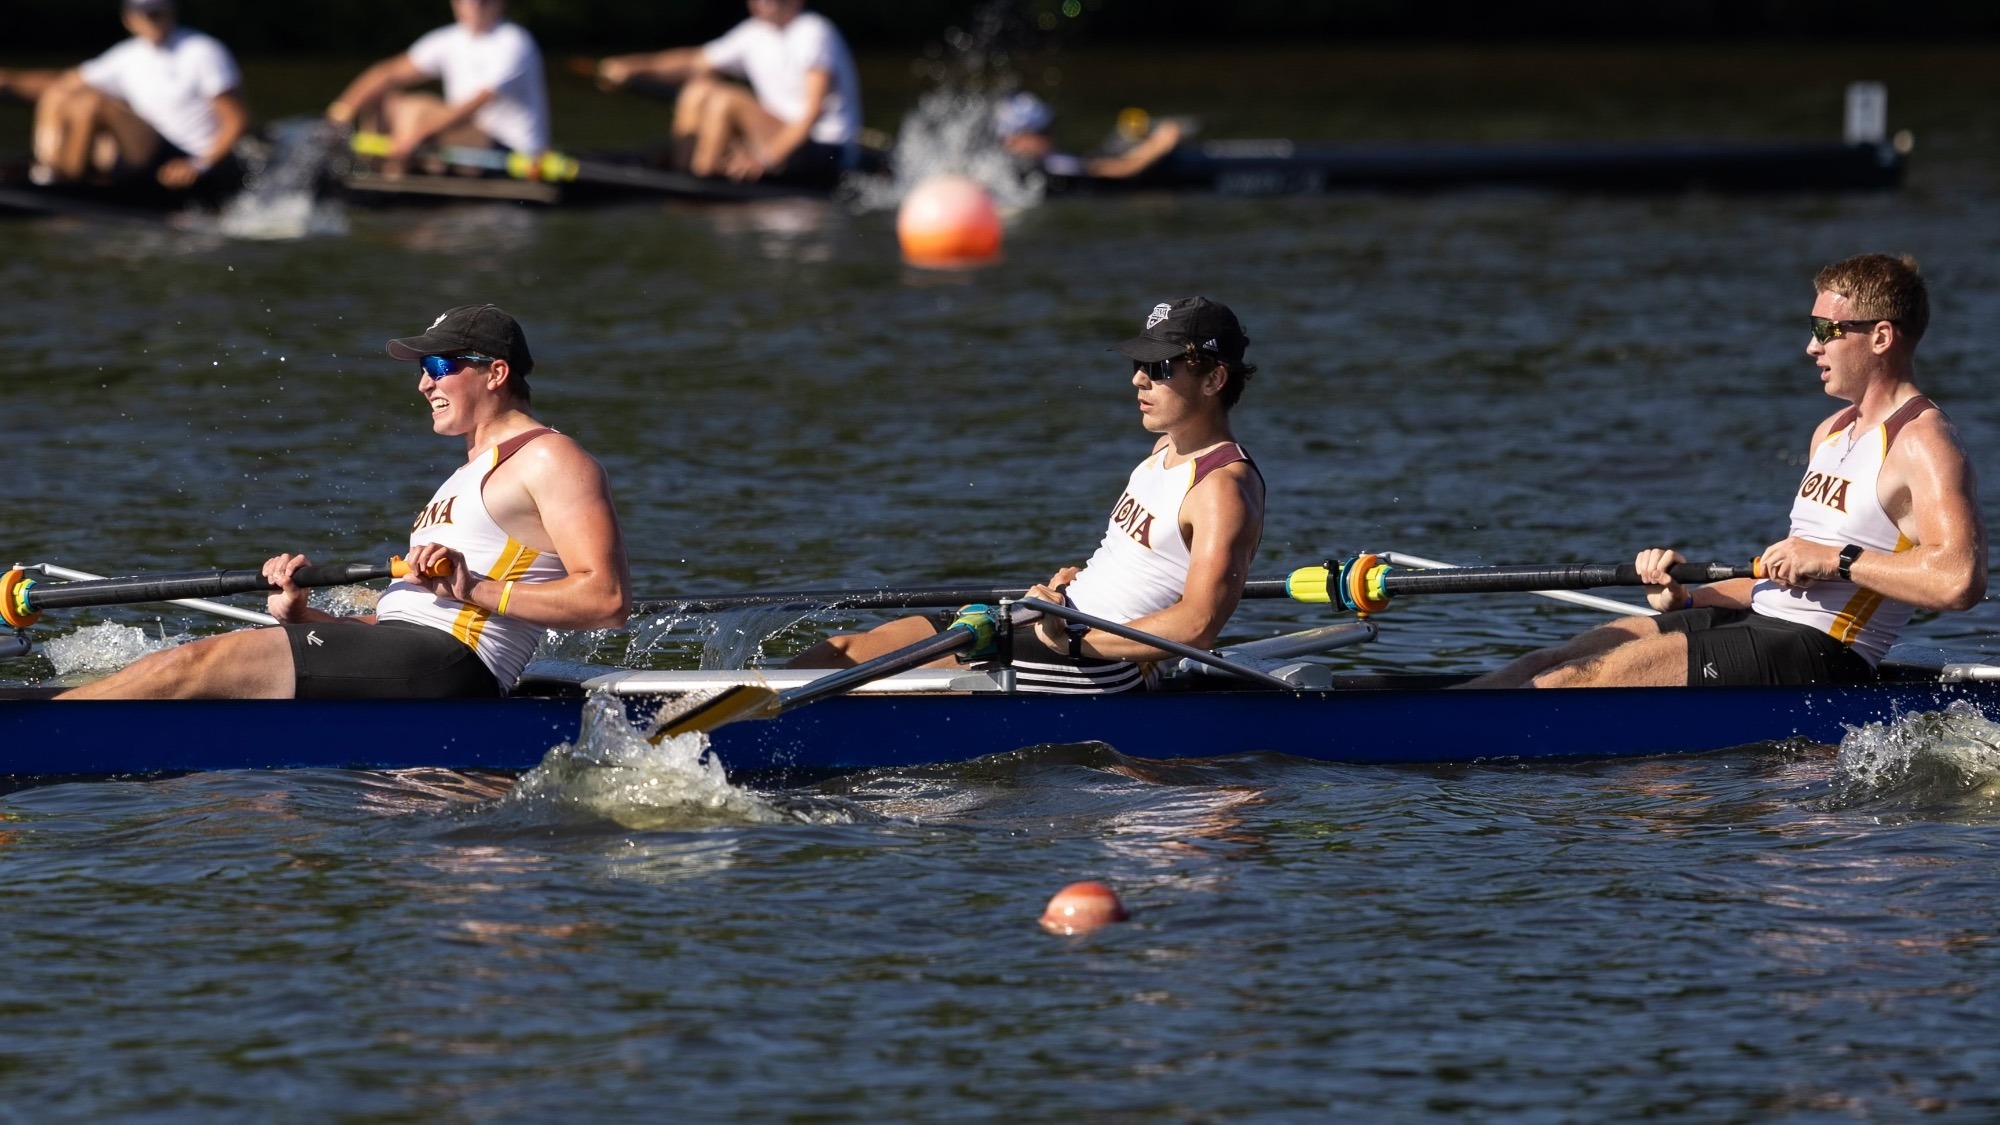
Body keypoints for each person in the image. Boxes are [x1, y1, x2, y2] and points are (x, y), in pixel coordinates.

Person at [59, 305, 631, 701]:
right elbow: (403, 617)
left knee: (189, 665)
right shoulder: (463, 476)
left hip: (455, 663)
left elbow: (605, 600)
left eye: (438, 367)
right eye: (422, 372)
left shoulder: (550, 459)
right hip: (414, 652)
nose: (424, 385)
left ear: (495, 373)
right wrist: (307, 616)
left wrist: (474, 588)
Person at [1469, 254, 1985, 689]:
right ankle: (1430, 716)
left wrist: (1835, 560)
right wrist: (1688, 596)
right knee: (1542, 666)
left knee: (1572, 682)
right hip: (1761, 620)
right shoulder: (1830, 431)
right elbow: (1785, 579)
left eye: (1825, 330)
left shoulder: (1924, 441)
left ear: (1880, 337)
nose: (1811, 346)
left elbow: (1958, 580)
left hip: (1822, 650)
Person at [792, 297, 1266, 693]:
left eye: (1159, 367)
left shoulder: (1222, 489)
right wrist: (1072, 590)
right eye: (1139, 364)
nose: (1137, 380)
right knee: (847, 649)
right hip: (1061, 619)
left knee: (860, 674)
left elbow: (1197, 626)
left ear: (1213, 380)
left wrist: (1070, 641)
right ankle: (729, 703)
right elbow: (1144, 567)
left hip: (1100, 662)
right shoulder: (1166, 447)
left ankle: (739, 732)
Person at [595, 0, 863, 183]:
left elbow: (810, 114)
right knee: (697, 89)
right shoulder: (754, 33)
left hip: (826, 152)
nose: (758, 4)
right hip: (782, 137)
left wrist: (765, 161)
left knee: (725, 100)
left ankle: (702, 181)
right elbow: (693, 61)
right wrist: (633, 67)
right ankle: (684, 173)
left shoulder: (814, 32)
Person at [0, 0, 246, 190]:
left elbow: (236, 120)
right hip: (142, 152)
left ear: (172, 13)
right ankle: (48, 173)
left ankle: (65, 183)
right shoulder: (127, 56)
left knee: (92, 102)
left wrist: (199, 165)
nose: (153, 20)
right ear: (129, 19)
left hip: (188, 157)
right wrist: (9, 81)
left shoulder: (202, 51)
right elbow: (61, 82)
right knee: (61, 93)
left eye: (158, 13)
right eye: (145, 14)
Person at [326, 0, 550, 168]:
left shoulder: (515, 43)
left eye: (483, 1)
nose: (474, 5)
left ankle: (395, 170)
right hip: (458, 139)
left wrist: (416, 135)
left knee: (414, 110)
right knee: (385, 99)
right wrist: (340, 114)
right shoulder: (447, 39)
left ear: (499, 3)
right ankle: (372, 167)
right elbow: (388, 73)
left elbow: (473, 106)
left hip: (511, 151)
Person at [995, 92, 1183, 180]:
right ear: (1015, 138)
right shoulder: (1054, 166)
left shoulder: (999, 166)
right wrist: (1160, 145)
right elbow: (1124, 169)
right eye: (1043, 131)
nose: (1051, 136)